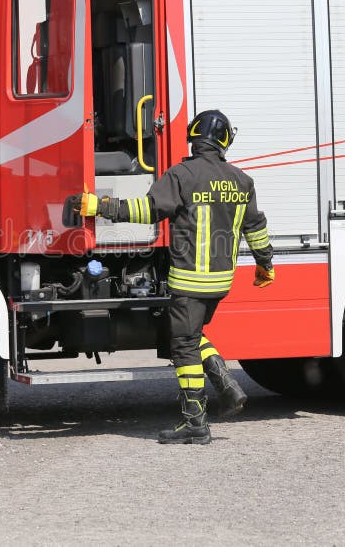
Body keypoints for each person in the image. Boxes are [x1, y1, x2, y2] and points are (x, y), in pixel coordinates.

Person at [73, 109, 275, 444]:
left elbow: (148, 210)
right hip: (221, 282)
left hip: (189, 281)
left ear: (194, 136)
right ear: (224, 140)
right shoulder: (242, 180)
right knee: (190, 335)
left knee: (182, 345)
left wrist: (101, 206)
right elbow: (255, 227)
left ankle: (195, 421)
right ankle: (226, 384)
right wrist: (265, 264)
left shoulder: (182, 175)